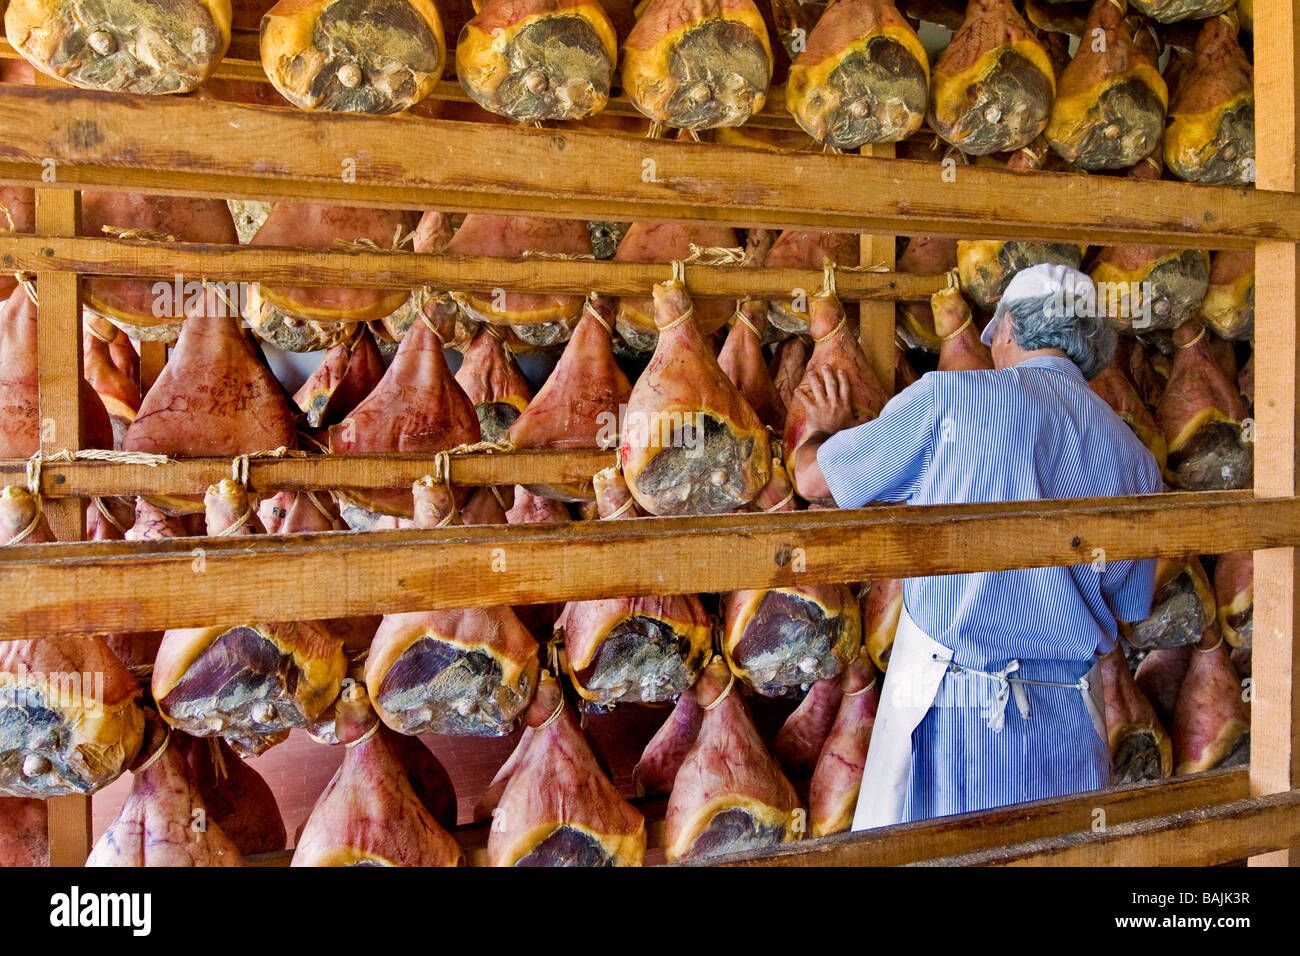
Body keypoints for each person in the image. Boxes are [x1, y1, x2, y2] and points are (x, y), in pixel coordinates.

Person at [791, 263, 1164, 828]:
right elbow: (1132, 609)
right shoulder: (1135, 458)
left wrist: (823, 431)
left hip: (956, 713)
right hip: (1069, 720)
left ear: (1009, 329)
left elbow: (815, 481)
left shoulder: (950, 400)